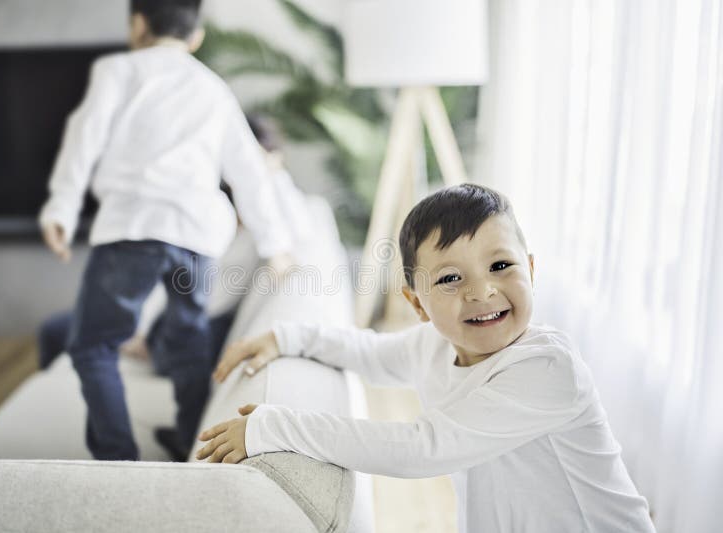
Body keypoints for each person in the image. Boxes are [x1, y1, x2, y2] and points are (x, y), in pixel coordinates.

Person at [197, 184, 656, 532]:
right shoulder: (434, 344)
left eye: (501, 266)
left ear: (531, 270)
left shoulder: (548, 369)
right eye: (451, 278)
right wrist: (286, 336)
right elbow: (370, 353)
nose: (481, 291)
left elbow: (422, 448)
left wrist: (274, 426)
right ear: (416, 304)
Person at [39, 0, 292, 462]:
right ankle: (190, 442)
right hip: (194, 238)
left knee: (93, 345)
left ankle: (118, 460)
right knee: (189, 345)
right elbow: (248, 170)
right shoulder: (212, 87)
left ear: (138, 25)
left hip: (131, 230)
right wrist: (276, 247)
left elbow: (85, 134)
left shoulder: (118, 70)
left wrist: (61, 208)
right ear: (195, 38)